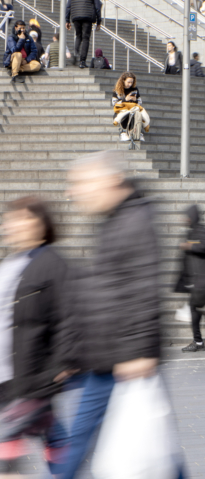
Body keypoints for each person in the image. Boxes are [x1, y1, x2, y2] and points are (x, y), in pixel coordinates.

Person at [62, 152, 182, 478]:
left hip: (126, 358)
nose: (75, 192)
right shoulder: (115, 219)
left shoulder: (133, 221)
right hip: (110, 356)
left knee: (88, 442)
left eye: (83, 183)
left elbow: (143, 288)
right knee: (156, 445)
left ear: (111, 180)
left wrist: (140, 352)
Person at [0, 197, 73, 477]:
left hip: (32, 374)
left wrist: (62, 364)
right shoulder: (10, 263)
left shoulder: (52, 263)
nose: (13, 225)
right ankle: (66, 471)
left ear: (42, 224)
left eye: (23, 218)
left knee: (7, 436)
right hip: (7, 375)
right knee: (51, 431)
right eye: (11, 219)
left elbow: (69, 315)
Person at [175, 205, 205, 353]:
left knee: (193, 307)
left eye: (187, 216)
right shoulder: (191, 233)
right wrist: (184, 283)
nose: (184, 219)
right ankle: (198, 341)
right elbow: (186, 262)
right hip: (198, 280)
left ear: (192, 217)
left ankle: (198, 342)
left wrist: (189, 246)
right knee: (194, 308)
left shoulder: (200, 230)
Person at [65, 0, 102, 69]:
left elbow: (68, 6)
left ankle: (76, 54)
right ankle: (82, 61)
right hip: (87, 17)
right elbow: (97, 7)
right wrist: (99, 21)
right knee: (86, 38)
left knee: (78, 36)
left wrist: (67, 20)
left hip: (76, 16)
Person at [111, 71, 151, 142]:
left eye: (131, 82)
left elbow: (139, 102)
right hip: (122, 109)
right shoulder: (117, 89)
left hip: (133, 107)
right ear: (123, 80)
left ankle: (139, 132)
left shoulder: (134, 89)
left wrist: (135, 100)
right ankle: (123, 132)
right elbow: (114, 103)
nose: (130, 84)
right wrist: (125, 99)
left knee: (139, 113)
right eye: (128, 82)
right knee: (126, 112)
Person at [5, 19, 42, 84]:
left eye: (23, 28)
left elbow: (34, 51)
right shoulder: (11, 37)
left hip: (24, 60)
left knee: (37, 65)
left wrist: (27, 60)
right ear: (15, 27)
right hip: (13, 59)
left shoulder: (28, 37)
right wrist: (21, 39)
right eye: (20, 28)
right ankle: (15, 75)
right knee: (18, 54)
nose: (22, 30)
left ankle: (16, 68)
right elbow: (14, 50)